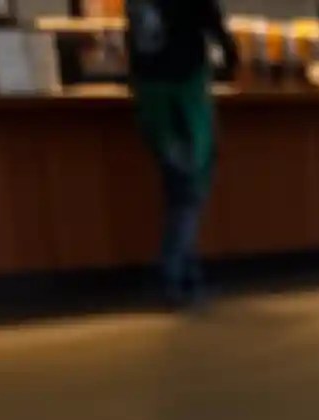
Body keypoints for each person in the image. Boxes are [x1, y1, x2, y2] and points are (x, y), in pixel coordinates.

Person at [126, 0, 239, 308]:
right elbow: (218, 32)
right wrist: (230, 61)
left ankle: (188, 275)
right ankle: (172, 275)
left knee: (176, 184)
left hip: (150, 95)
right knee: (190, 187)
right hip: (184, 94)